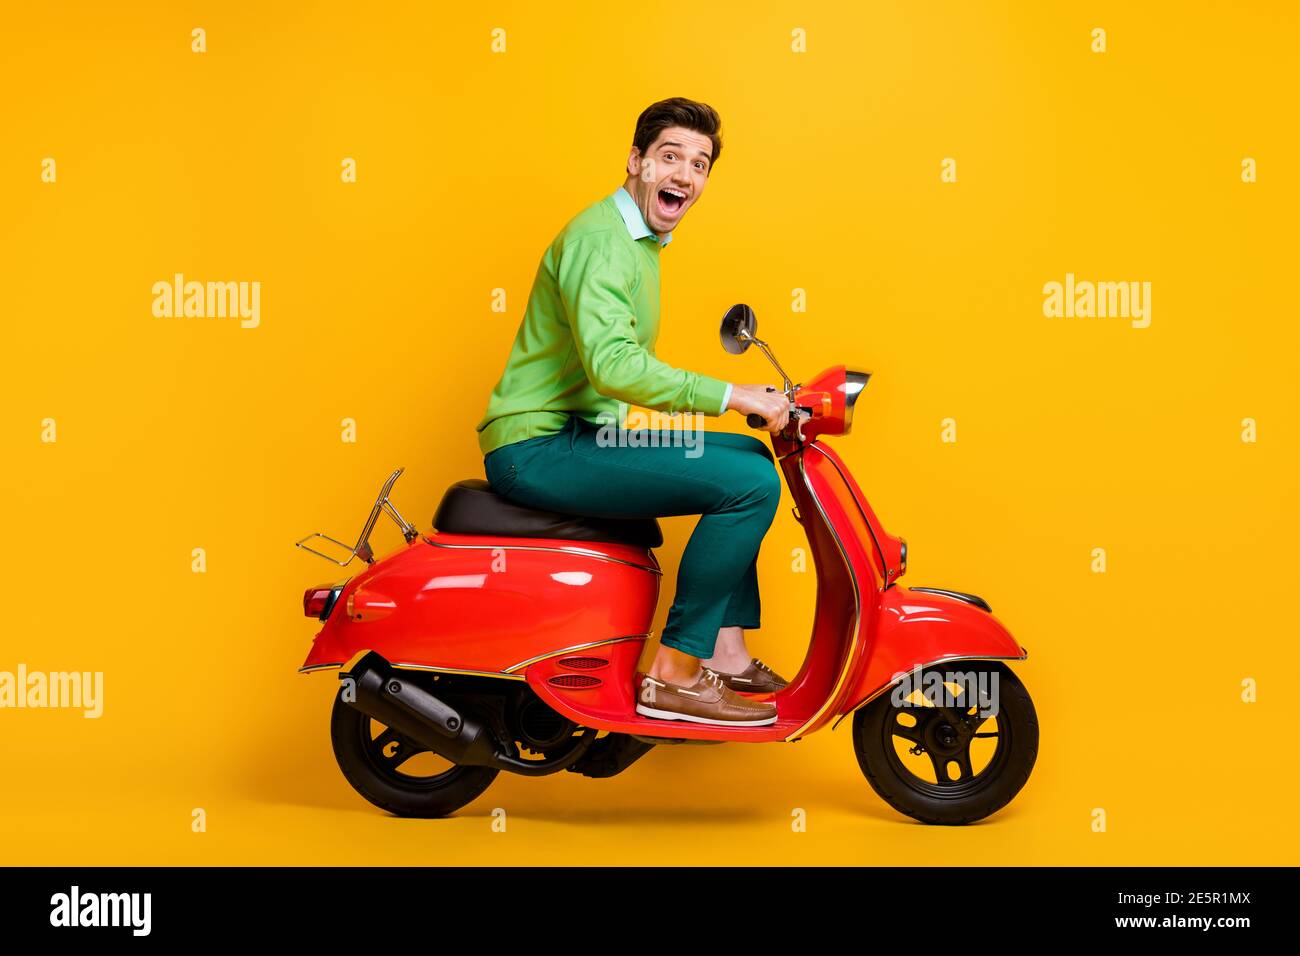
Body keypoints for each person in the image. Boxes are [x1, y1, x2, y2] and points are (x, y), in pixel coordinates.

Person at [475, 97, 791, 726]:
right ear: (636, 162)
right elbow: (614, 367)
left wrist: (746, 403)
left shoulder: (640, 243)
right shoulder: (601, 241)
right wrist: (733, 396)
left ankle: (725, 652)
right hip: (539, 447)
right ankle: (674, 675)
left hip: (583, 437)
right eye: (670, 157)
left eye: (699, 165)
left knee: (749, 457)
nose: (684, 175)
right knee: (751, 484)